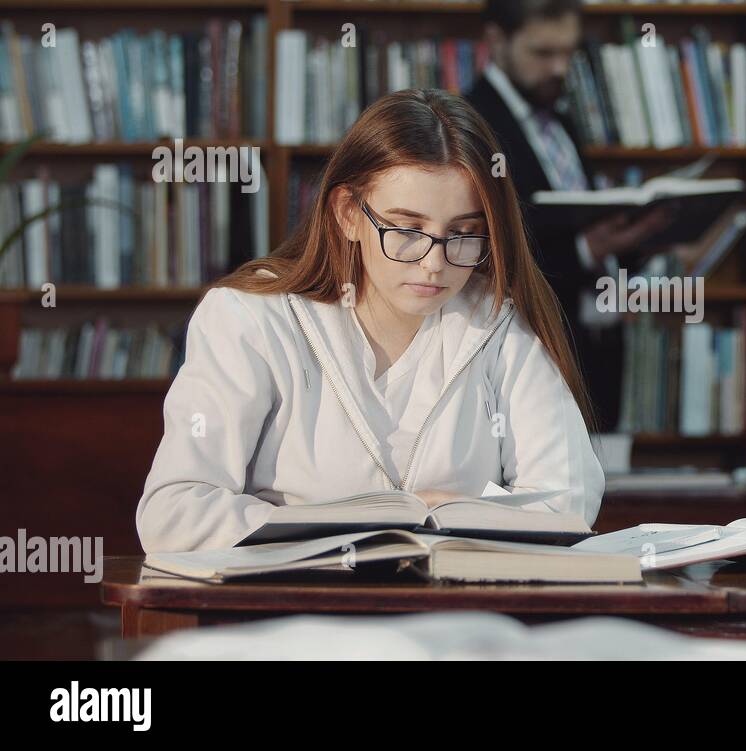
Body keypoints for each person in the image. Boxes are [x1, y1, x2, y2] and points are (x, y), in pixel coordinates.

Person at [136, 89, 603, 554]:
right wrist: (372, 520)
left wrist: (454, 516)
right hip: (296, 615)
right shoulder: (251, 319)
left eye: (463, 233)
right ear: (347, 214)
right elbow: (173, 514)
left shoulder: (500, 322)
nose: (434, 264)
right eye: (405, 230)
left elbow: (568, 502)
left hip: (453, 615)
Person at [464, 0, 666, 431]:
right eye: (543, 52)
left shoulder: (563, 122)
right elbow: (482, 251)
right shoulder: (468, 126)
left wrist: (638, 237)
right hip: (525, 359)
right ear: (496, 41)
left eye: (568, 53)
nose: (559, 68)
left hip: (594, 358)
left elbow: (575, 223)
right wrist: (588, 249)